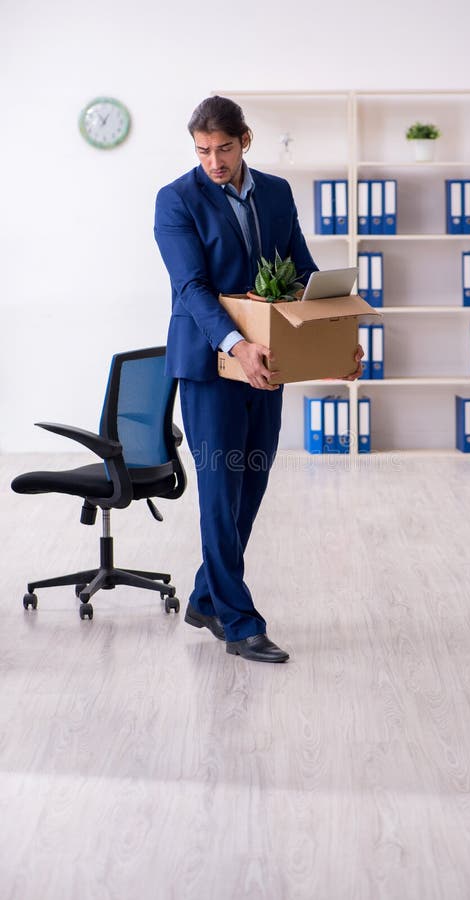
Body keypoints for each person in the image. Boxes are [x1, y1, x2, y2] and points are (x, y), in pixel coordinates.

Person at [154, 95, 362, 663]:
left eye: (223, 148)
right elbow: (191, 288)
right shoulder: (176, 200)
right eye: (202, 151)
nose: (213, 161)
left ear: (244, 140)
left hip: (270, 360)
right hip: (212, 363)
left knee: (251, 485)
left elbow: (300, 268)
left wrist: (338, 341)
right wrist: (238, 346)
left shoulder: (275, 192)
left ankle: (205, 597)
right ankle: (239, 621)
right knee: (222, 490)